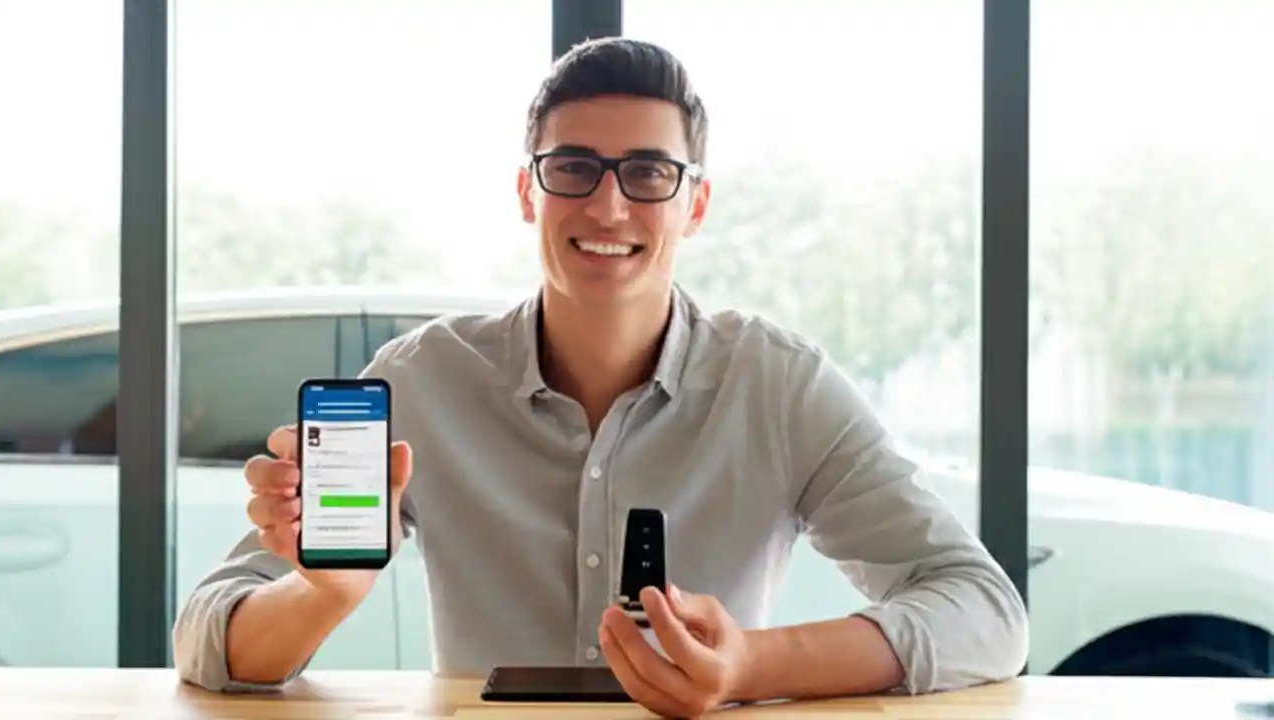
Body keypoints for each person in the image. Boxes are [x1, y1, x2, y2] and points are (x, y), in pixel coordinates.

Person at [173, 37, 1028, 718]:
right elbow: (207, 641)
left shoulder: (779, 385)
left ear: (694, 204)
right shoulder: (424, 379)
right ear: (526, 192)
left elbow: (984, 611)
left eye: (649, 173)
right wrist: (323, 593)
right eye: (573, 168)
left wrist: (748, 665)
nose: (608, 207)